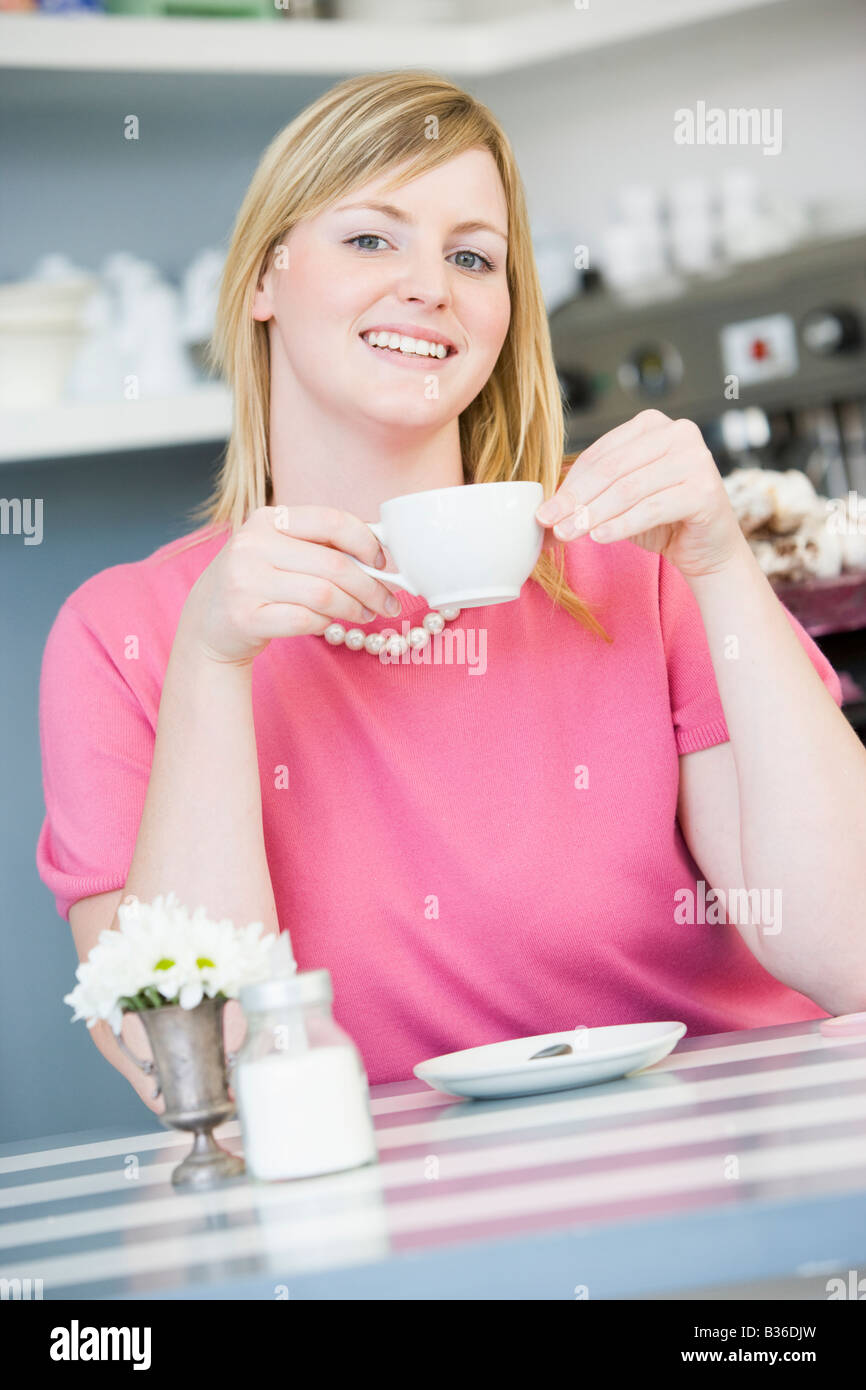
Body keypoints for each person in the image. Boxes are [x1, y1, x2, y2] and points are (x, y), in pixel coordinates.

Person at [37, 71, 866, 1115]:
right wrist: (214, 670)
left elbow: (852, 955)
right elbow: (201, 1072)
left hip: (738, 1197)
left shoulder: (647, 572)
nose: (428, 284)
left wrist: (720, 567)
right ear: (262, 279)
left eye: (471, 256)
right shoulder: (131, 635)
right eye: (371, 239)